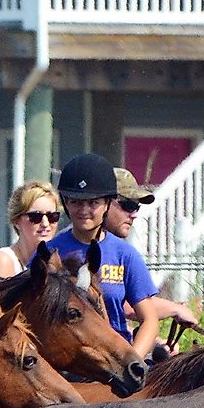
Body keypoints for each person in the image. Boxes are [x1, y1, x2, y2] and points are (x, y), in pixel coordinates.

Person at [49, 153, 161, 361]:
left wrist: (132, 362)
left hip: (115, 361)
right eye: (76, 202)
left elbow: (150, 320)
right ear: (66, 203)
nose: (84, 210)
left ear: (108, 203)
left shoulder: (125, 255)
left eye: (93, 202)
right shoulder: (49, 253)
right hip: (64, 364)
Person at [108, 167, 199, 331]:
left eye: (136, 207)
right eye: (128, 205)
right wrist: (176, 309)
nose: (134, 214)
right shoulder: (77, 250)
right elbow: (129, 307)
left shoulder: (125, 254)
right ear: (103, 202)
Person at [0, 180, 60, 285]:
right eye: (35, 217)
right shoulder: (3, 261)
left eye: (52, 216)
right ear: (16, 221)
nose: (45, 223)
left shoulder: (57, 263)